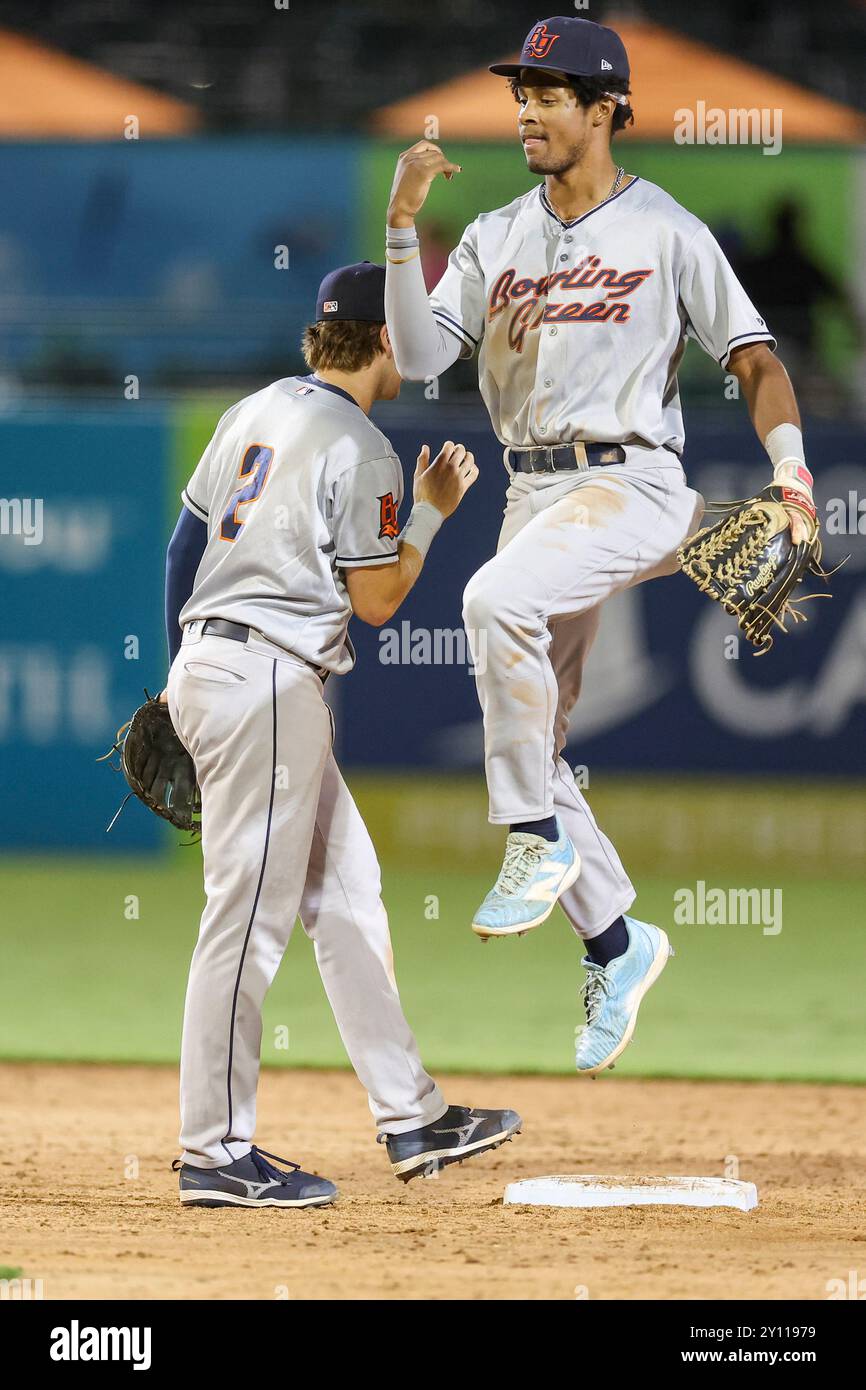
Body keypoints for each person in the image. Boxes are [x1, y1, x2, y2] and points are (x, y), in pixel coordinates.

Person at [383, 17, 817, 1077]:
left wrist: (792, 474)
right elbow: (410, 354)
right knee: (538, 732)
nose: (526, 107)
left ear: (605, 107)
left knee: (489, 607)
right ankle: (618, 944)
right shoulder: (491, 236)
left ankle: (530, 837)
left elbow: (753, 358)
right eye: (520, 89)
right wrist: (402, 228)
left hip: (629, 475)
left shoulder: (663, 230)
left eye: (551, 89)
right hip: (532, 494)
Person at [162, 261, 520, 1207]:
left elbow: (181, 550)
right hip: (271, 683)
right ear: (384, 340)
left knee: (349, 891)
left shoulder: (256, 409)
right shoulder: (365, 447)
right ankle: (214, 1151)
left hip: (218, 667)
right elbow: (377, 599)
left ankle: (412, 1117)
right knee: (246, 920)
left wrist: (179, 678)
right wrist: (436, 514)